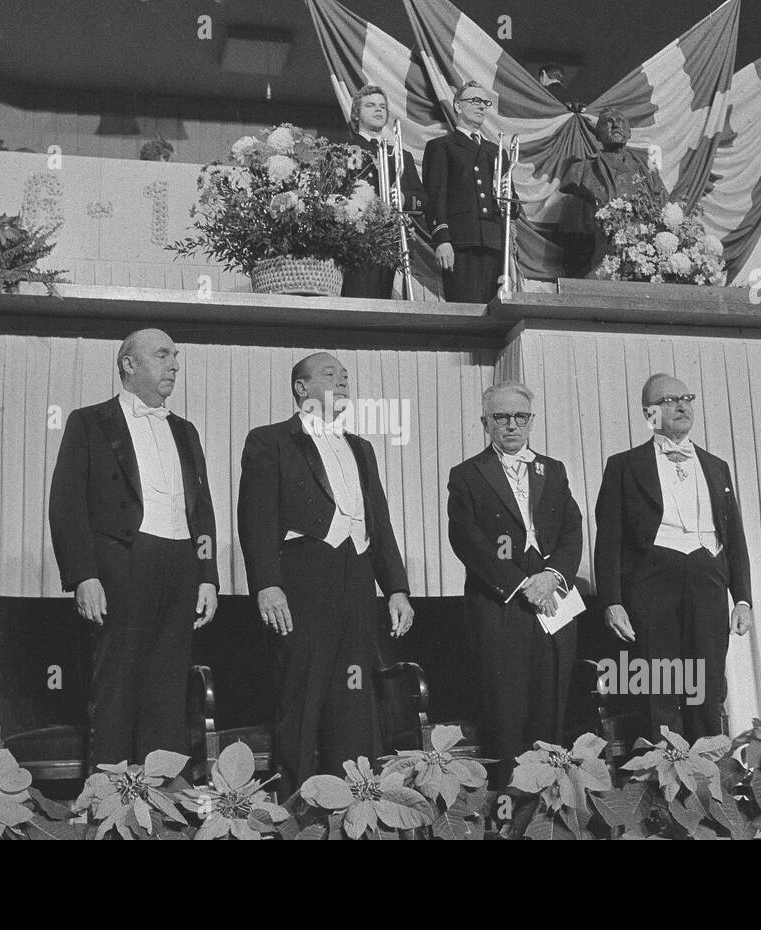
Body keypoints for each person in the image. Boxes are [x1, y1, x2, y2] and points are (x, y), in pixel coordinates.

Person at [238, 352, 413, 796]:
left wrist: (396, 588)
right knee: (301, 696)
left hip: (356, 580)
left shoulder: (362, 447)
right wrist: (267, 585)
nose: (342, 380)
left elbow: (380, 522)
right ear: (301, 388)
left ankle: (354, 802)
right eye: (330, 374)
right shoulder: (269, 440)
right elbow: (256, 520)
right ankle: (295, 804)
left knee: (354, 697)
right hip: (301, 583)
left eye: (346, 375)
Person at [48, 328, 218, 768]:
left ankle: (159, 806)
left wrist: (207, 576)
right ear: (129, 364)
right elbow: (66, 504)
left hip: (181, 564)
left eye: (176, 357)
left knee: (168, 687)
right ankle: (110, 801)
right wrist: (84, 575)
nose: (175, 365)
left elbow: (202, 508)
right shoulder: (89, 421)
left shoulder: (185, 430)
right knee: (117, 684)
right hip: (122, 563)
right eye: (163, 356)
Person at [593, 374, 753, 742]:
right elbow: (609, 542)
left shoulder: (716, 466)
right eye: (669, 400)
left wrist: (741, 599)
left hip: (708, 586)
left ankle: (709, 789)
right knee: (659, 691)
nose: (681, 406)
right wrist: (613, 601)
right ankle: (664, 790)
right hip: (652, 589)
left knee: (707, 688)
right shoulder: (625, 465)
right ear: (650, 414)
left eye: (686, 398)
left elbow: (735, 540)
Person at [447, 381, 583, 786]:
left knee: (550, 707)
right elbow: (466, 539)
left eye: (519, 417)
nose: (511, 425)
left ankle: (548, 807)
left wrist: (551, 577)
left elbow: (572, 531)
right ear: (485, 423)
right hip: (500, 605)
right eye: (501, 418)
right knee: (505, 713)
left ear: (531, 421)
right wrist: (522, 585)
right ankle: (509, 809)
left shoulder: (553, 469)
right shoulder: (467, 474)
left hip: (553, 602)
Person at [422, 81, 514, 303]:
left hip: (494, 245)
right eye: (475, 101)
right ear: (457, 106)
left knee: (496, 317)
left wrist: (509, 203)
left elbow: (512, 200)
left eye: (485, 102)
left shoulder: (496, 151)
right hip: (460, 245)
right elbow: (435, 198)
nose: (482, 106)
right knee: (466, 311)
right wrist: (442, 240)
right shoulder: (442, 146)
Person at [559, 107, 669, 277]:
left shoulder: (648, 172)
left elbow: (661, 203)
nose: (617, 126)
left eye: (622, 122)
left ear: (629, 133)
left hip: (646, 265)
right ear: (597, 135)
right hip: (605, 262)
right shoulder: (581, 170)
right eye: (608, 122)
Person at [341, 84, 427, 299]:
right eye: (370, 105)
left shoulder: (400, 155)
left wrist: (406, 199)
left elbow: (423, 200)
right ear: (356, 114)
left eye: (382, 106)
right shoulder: (345, 151)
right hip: (354, 243)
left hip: (392, 242)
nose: (378, 110)